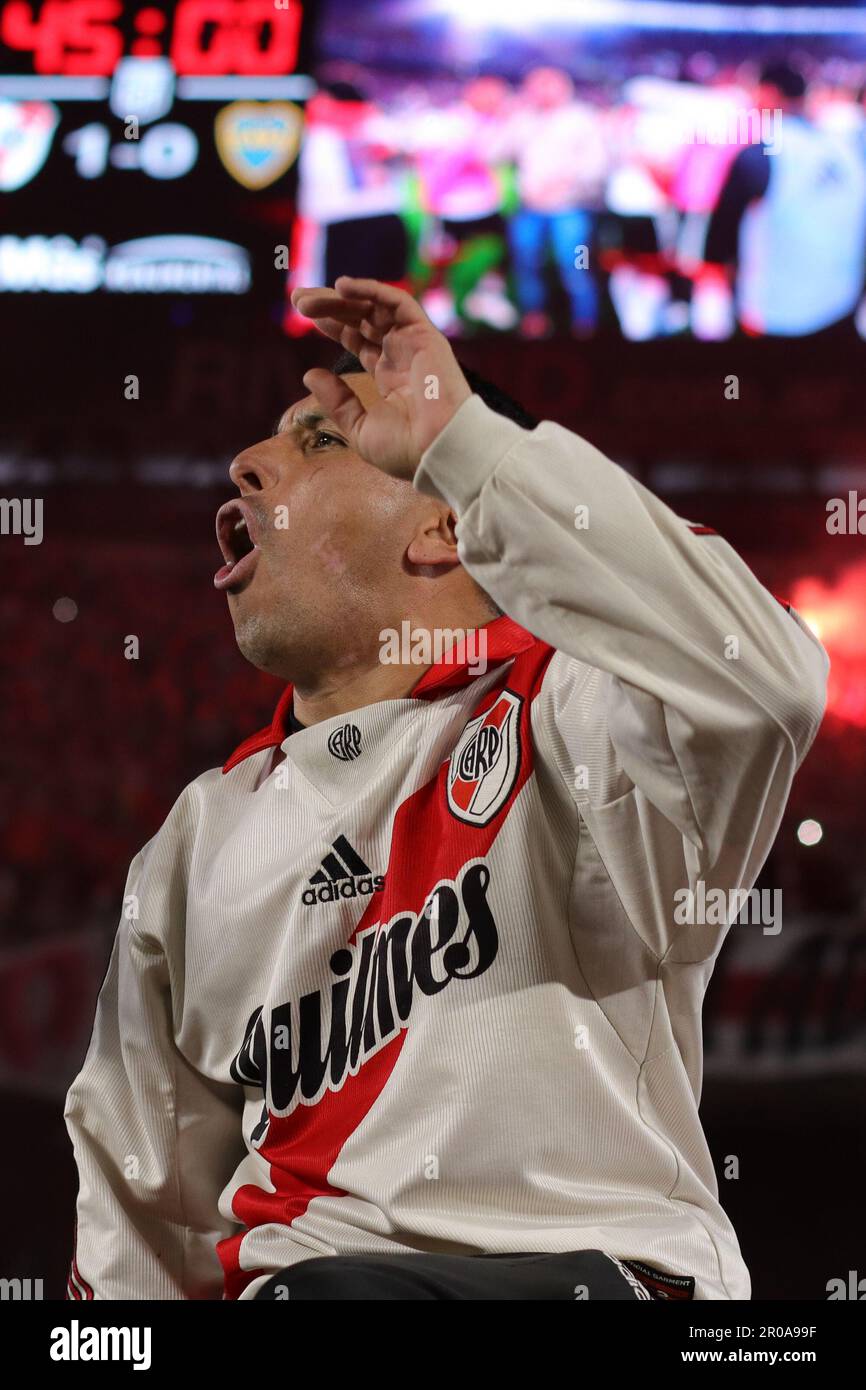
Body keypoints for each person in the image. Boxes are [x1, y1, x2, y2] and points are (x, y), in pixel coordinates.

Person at [64, 276, 827, 1301]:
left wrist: (458, 439)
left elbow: (767, 677)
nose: (244, 465)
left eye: (319, 440)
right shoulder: (194, 840)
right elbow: (137, 1204)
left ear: (438, 527)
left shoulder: (578, 714)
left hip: (598, 1276)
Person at [704, 60, 866, 336]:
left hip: (776, 318)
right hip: (841, 307)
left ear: (768, 93)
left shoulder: (762, 155)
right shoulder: (847, 150)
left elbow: (719, 243)